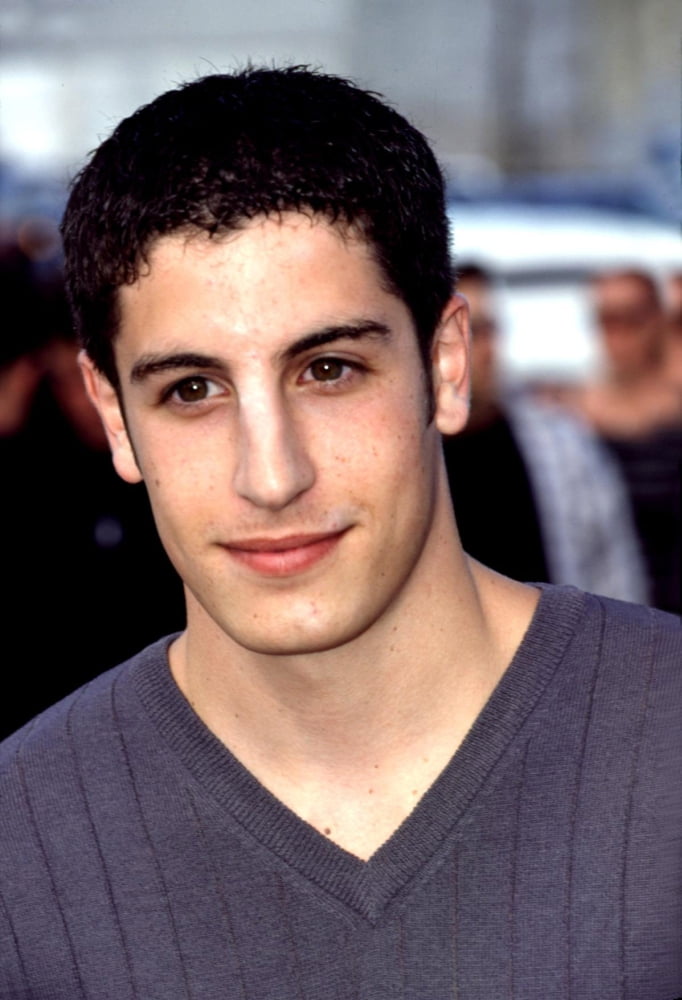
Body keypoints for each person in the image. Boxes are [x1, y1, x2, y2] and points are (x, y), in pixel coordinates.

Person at [0, 67, 679, 999]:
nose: (271, 476)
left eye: (328, 369)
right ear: (115, 419)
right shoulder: (23, 844)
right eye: (191, 390)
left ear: (446, 365)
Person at [444, 263, 649, 603]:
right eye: (468, 332)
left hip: (558, 647)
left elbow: (612, 568)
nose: (486, 348)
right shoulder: (408, 454)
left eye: (489, 329)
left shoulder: (559, 443)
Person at [564, 269, 681, 613]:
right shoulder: (571, 422)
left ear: (657, 319)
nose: (619, 334)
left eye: (632, 318)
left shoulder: (674, 412)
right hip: (610, 608)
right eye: (607, 319)